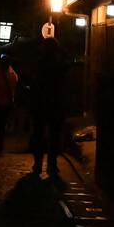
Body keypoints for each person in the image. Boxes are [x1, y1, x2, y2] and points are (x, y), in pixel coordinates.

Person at [29, 39, 69, 181]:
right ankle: (52, 164)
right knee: (54, 135)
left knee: (39, 134)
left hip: (41, 104)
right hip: (56, 104)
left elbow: (34, 84)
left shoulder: (39, 63)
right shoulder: (60, 64)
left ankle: (38, 164)